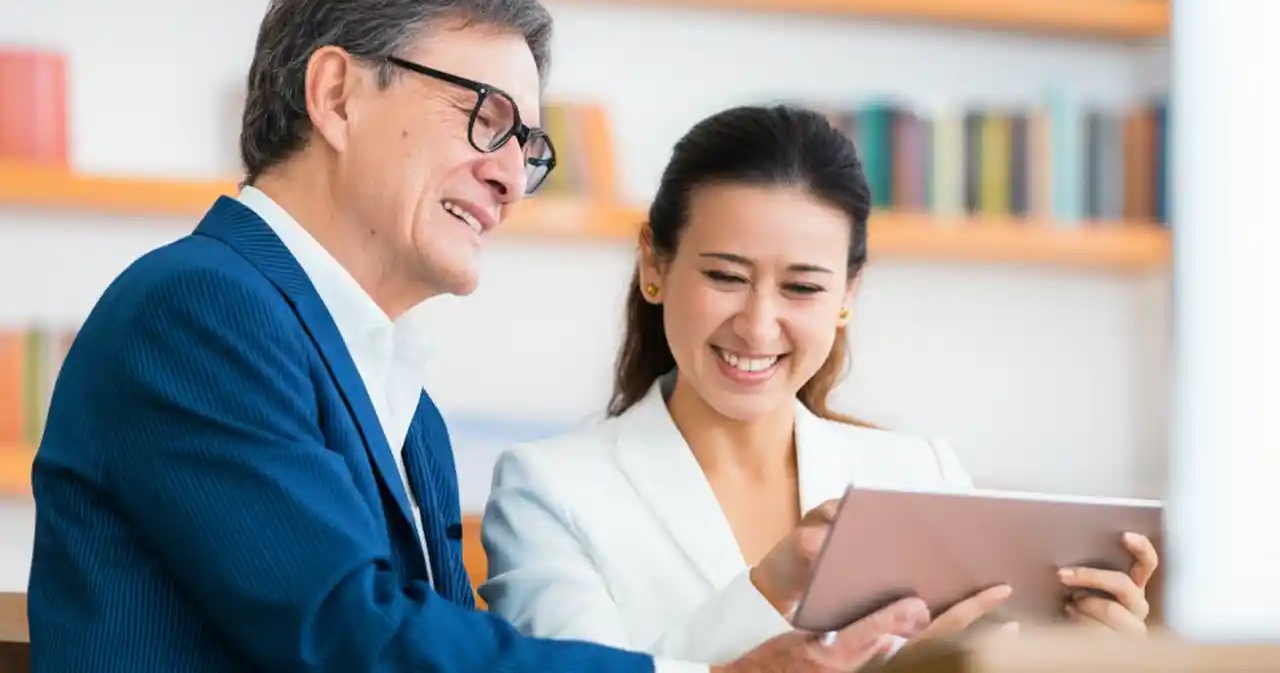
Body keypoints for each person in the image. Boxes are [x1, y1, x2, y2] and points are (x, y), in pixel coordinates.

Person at [25, 0, 935, 671]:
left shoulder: (401, 404)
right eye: (487, 119)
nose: (510, 174)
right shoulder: (201, 308)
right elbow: (346, 634)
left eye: (528, 147)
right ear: (337, 94)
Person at [479, 104, 1162, 664]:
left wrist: (1090, 652)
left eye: (802, 287)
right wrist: (770, 586)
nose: (757, 325)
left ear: (846, 295)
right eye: (725, 276)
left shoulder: (916, 471)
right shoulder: (550, 489)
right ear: (654, 265)